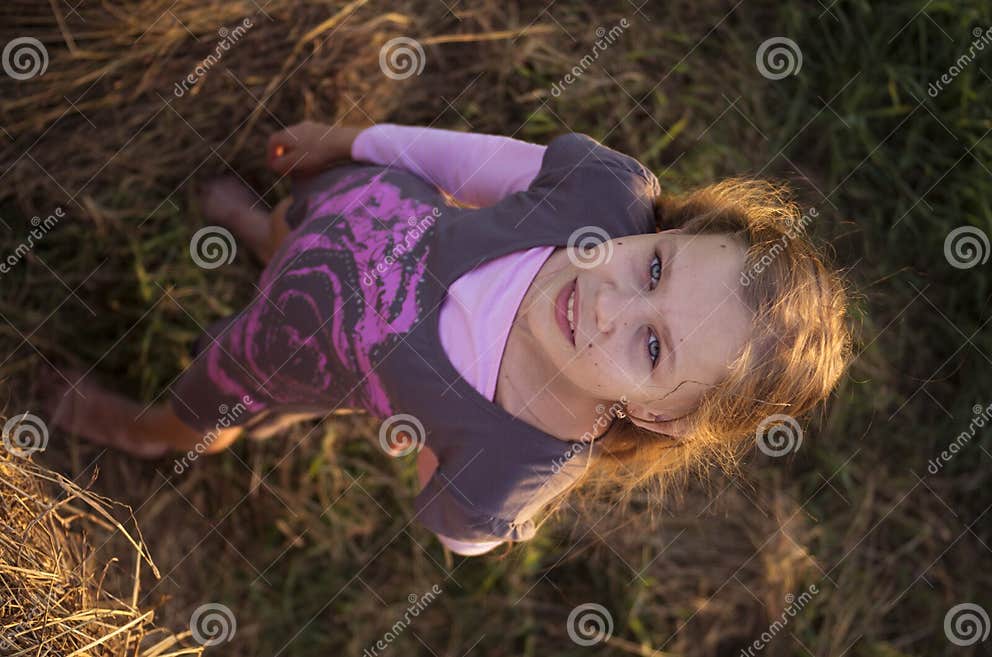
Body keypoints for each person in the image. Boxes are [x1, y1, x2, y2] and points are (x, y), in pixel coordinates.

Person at [48, 122, 853, 556]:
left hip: (302, 352)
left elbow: (460, 530)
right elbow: (462, 160)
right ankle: (268, 235)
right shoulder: (601, 197)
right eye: (652, 271)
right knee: (300, 228)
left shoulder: (521, 449)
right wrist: (356, 140)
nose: (610, 305)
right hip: (364, 209)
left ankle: (143, 430)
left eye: (651, 348)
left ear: (663, 418)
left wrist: (435, 442)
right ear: (666, 231)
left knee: (212, 403)